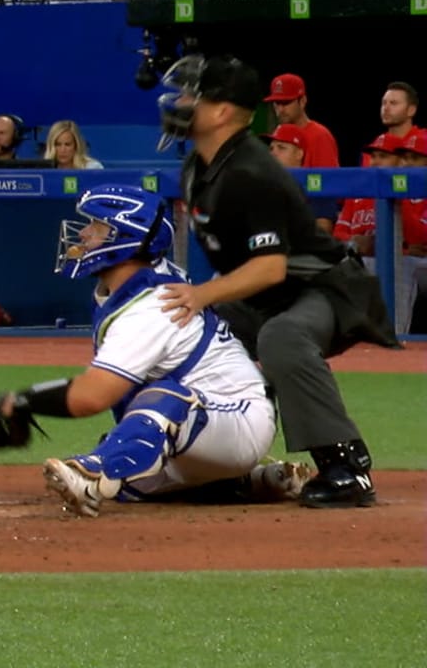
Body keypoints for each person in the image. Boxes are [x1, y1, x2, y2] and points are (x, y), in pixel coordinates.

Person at [0, 184, 309, 517]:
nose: (84, 234)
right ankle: (254, 481)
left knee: (156, 407)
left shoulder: (153, 305)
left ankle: (92, 476)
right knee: (132, 466)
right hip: (203, 424)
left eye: (97, 226)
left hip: (236, 418)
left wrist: (24, 400)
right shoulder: (125, 286)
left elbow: (93, 395)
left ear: (125, 240)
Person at [155, 55, 398, 508]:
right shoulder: (198, 167)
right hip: (266, 295)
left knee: (281, 337)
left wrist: (202, 294)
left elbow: (271, 267)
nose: (180, 102)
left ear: (223, 111)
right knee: (186, 334)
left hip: (324, 288)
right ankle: (216, 460)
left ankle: (346, 466)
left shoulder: (252, 172)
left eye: (194, 95)